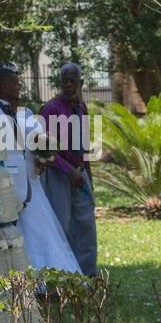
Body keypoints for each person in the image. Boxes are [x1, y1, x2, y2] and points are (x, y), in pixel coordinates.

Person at [0, 63, 81, 274]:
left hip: (32, 181)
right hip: (8, 180)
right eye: (15, 81)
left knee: (42, 230)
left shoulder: (26, 113)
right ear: (2, 85)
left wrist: (44, 157)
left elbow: (38, 139)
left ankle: (51, 276)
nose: (19, 85)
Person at [40, 62, 98, 276]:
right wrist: (68, 170)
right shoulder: (50, 109)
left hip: (79, 174)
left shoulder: (81, 107)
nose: (69, 84)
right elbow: (44, 149)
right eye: (65, 80)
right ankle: (62, 276)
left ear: (81, 82)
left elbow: (84, 144)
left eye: (73, 80)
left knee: (86, 226)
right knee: (61, 226)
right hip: (58, 175)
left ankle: (87, 275)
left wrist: (87, 175)